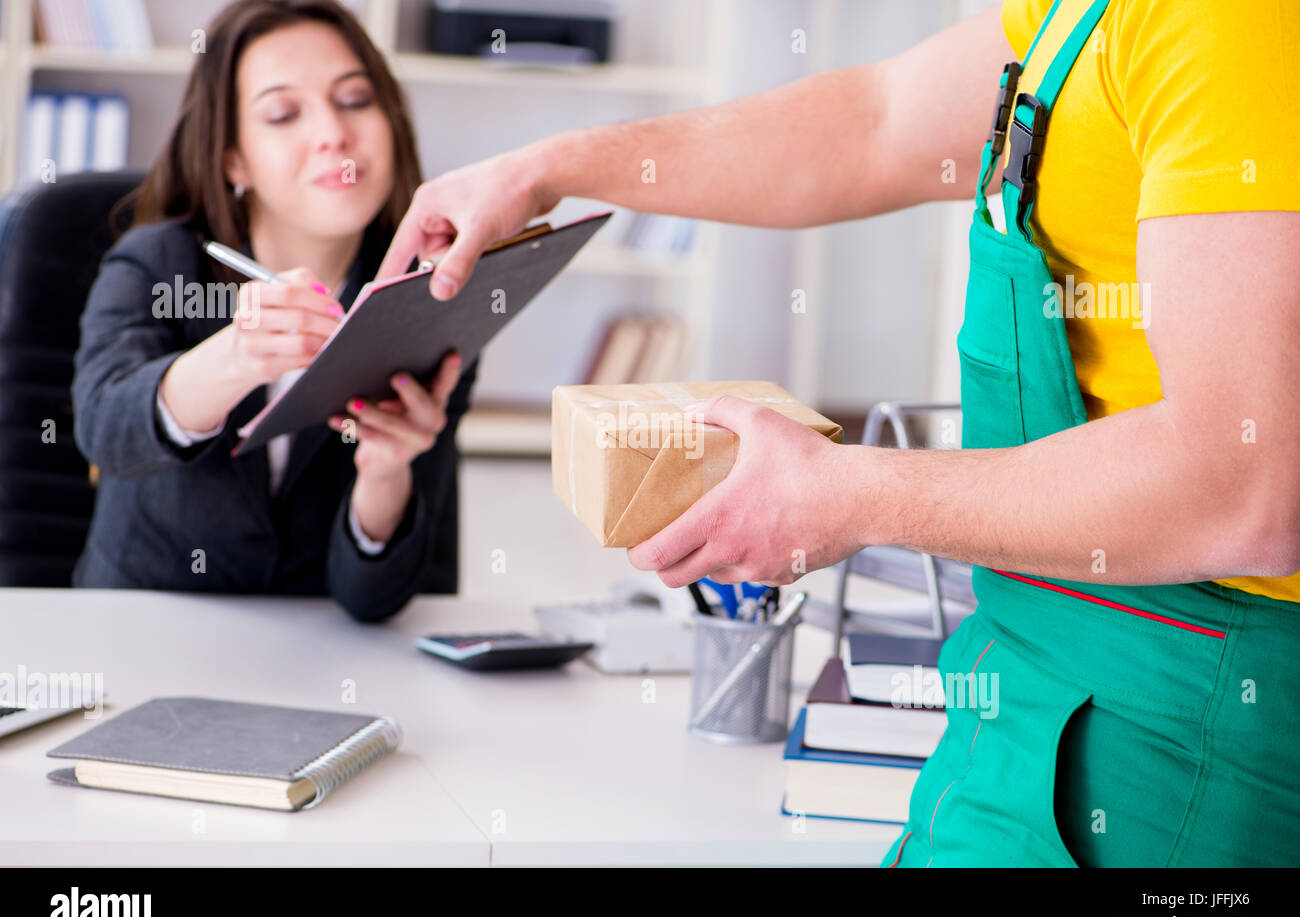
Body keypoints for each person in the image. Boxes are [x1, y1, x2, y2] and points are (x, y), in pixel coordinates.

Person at [378, 0, 1300, 865]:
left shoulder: (1232, 23)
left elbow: (1243, 483)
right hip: (1040, 680)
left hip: (1183, 731)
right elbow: (876, 124)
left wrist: (848, 493)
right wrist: (548, 167)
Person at [72, 0, 475, 623]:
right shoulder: (158, 261)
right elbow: (104, 427)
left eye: (355, 100)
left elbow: (375, 599)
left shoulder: (431, 298)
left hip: (320, 662)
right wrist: (238, 355)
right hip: (145, 633)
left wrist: (386, 477)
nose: (332, 134)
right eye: (283, 113)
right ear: (235, 160)